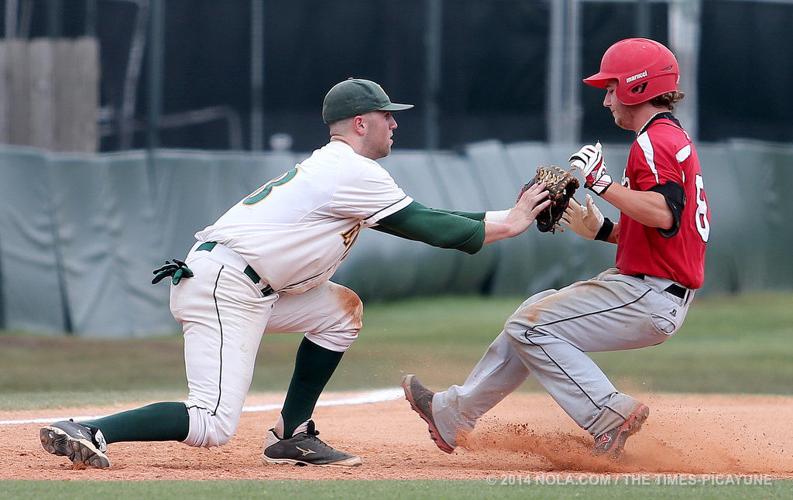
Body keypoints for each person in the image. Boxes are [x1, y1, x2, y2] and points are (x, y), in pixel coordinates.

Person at [39, 78, 551, 468]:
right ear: (359, 124)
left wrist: (510, 217)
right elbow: (431, 228)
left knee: (340, 313)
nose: (394, 123)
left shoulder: (341, 167)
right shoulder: (350, 170)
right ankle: (89, 429)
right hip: (226, 285)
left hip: (251, 283)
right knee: (212, 423)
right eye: (385, 115)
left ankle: (292, 434)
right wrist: (512, 223)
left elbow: (433, 216)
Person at [402, 38, 711, 459]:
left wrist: (601, 183)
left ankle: (608, 414)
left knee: (533, 326)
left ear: (636, 88)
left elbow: (664, 215)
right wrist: (603, 229)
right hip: (651, 290)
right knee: (528, 316)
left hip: (647, 295)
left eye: (610, 88)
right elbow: (661, 231)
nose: (605, 101)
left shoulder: (652, 143)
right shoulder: (667, 140)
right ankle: (453, 414)